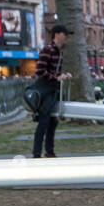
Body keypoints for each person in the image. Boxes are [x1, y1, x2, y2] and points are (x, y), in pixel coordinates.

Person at [29, 24, 72, 158]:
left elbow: (53, 72)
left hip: (53, 90)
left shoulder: (59, 51)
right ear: (58, 34)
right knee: (44, 121)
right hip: (46, 91)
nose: (67, 37)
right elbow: (40, 71)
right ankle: (37, 153)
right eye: (65, 34)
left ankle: (49, 151)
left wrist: (62, 76)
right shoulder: (48, 49)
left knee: (53, 121)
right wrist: (57, 78)